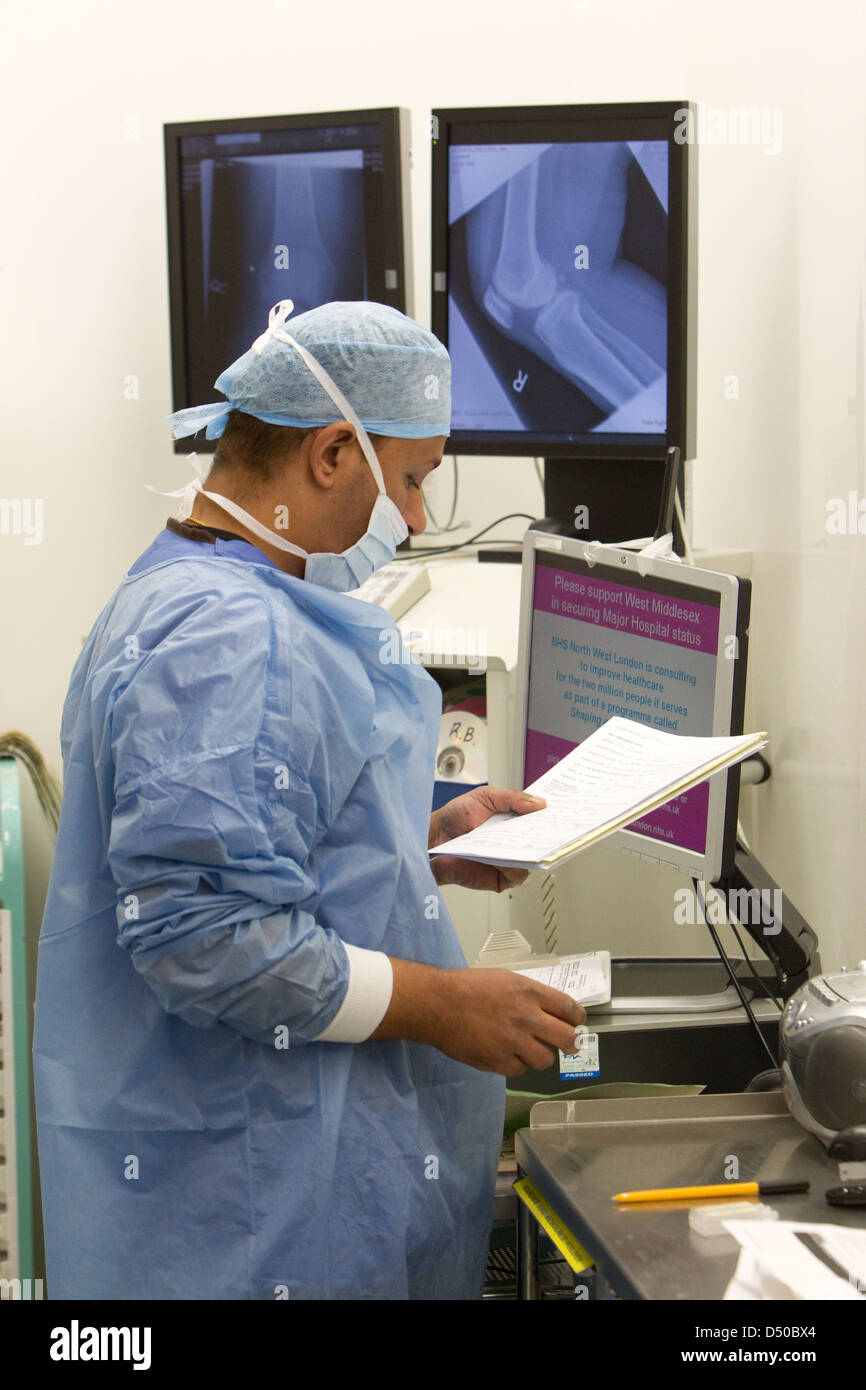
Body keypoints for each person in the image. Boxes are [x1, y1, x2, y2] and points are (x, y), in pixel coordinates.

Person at [33, 300, 584, 1300]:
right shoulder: (228, 635)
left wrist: (413, 847)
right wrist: (444, 1006)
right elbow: (208, 939)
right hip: (248, 1214)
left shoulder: (187, 584)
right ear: (331, 452)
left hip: (249, 1183)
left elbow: (239, 843)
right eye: (411, 478)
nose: (415, 518)